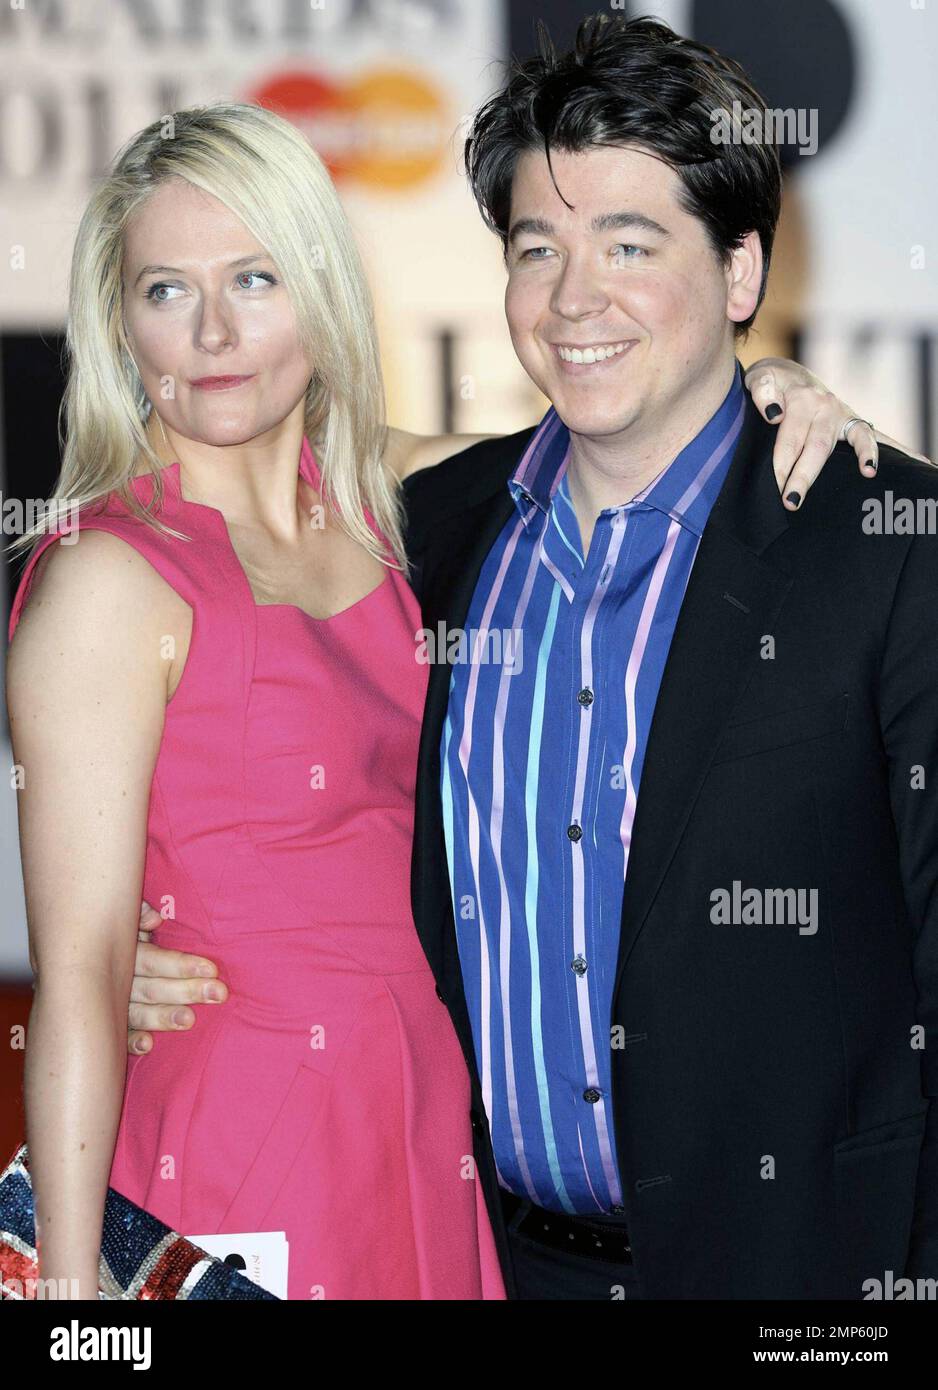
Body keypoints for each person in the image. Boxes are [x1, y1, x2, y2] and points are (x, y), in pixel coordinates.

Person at [13, 78, 916, 1302]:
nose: (213, 334)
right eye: (165, 291)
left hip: (446, 1168)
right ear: (120, 326)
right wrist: (72, 1311)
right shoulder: (123, 577)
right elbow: (74, 975)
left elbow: (634, 423)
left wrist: (773, 392)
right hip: (261, 1154)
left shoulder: (411, 516)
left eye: (255, 278)